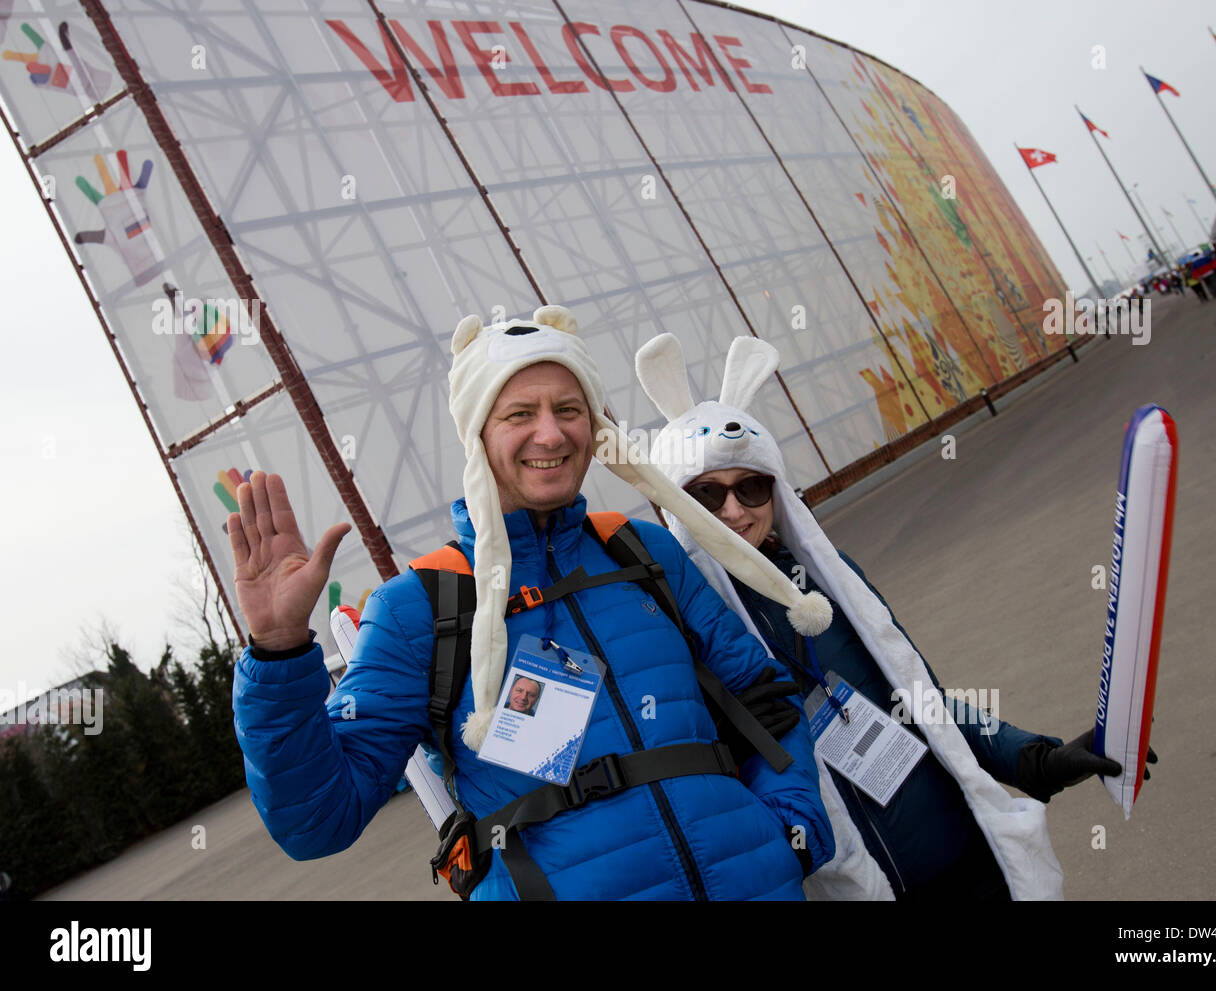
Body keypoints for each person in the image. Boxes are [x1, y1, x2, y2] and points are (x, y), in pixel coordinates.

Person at [230, 305, 836, 901]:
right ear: (478, 435)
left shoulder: (640, 550)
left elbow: (763, 696)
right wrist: (278, 652)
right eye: (520, 413)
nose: (551, 433)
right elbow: (319, 821)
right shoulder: (420, 606)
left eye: (568, 409)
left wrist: (789, 832)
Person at [636, 333, 1157, 901]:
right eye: (707, 494)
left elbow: (919, 697)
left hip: (972, 863)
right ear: (679, 508)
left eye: (751, 486)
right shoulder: (675, 629)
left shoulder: (832, 580)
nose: (734, 511)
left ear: (777, 491)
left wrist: (1035, 758)